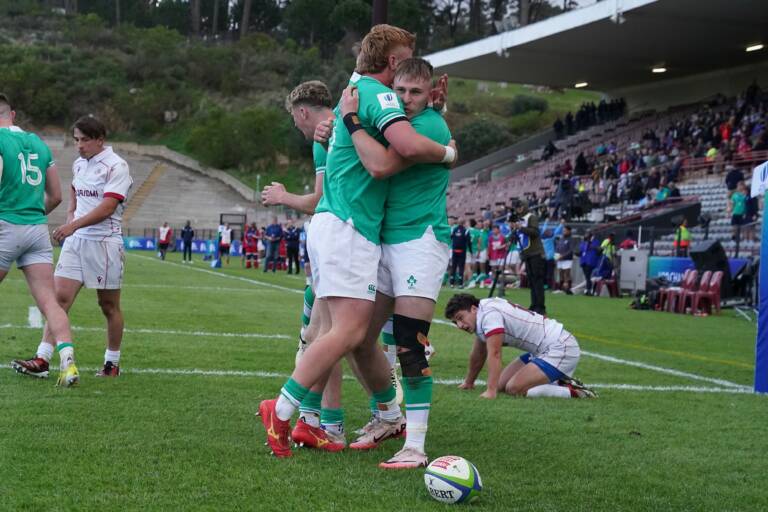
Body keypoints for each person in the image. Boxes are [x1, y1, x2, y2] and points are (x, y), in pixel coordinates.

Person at [257, 24, 457, 460]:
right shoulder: (376, 96)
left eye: (416, 89)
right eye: (401, 75)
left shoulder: (363, 92)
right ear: (390, 63)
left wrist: (429, 118)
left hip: (379, 233)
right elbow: (389, 160)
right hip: (352, 228)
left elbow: (406, 133)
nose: (405, 92)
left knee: (342, 333)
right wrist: (447, 153)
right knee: (346, 332)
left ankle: (368, 422)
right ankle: (289, 409)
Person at [335, 57, 452, 467]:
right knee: (358, 339)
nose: (406, 99)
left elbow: (381, 164)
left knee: (409, 344)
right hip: (385, 241)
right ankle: (389, 416)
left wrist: (349, 122)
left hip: (420, 241)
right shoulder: (398, 121)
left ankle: (416, 447)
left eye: (416, 92)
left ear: (431, 92)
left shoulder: (428, 127)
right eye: (400, 91)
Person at [1, 93, 79, 387]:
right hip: (36, 228)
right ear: (13, 114)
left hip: (5, 224)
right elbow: (57, 195)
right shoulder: (38, 143)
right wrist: (32, 213)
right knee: (50, 302)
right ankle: (68, 362)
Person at [47, 116, 132, 377]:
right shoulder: (79, 165)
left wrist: (73, 226)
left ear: (100, 140)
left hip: (104, 243)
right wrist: (70, 215)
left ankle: (111, 363)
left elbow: (107, 207)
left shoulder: (117, 166)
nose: (79, 145)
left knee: (107, 305)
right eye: (76, 140)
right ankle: (42, 357)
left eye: (84, 140)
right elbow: (74, 192)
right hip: (76, 241)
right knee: (58, 299)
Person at [445, 294, 596, 398]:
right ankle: (556, 380)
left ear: (473, 309)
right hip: (542, 349)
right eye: (455, 322)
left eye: (460, 318)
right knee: (500, 385)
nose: (459, 325)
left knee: (514, 388)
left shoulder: (489, 315)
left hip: (561, 347)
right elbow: (479, 353)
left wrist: (490, 392)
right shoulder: (482, 313)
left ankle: (573, 391)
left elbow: (495, 353)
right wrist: (469, 383)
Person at [511, 202, 546, 314]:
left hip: (535, 252)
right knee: (531, 280)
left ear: (524, 207)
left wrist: (521, 228)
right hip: (527, 254)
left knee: (537, 280)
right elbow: (517, 238)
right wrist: (514, 230)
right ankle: (534, 304)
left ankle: (540, 307)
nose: (518, 209)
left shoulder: (531, 217)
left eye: (520, 207)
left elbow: (535, 232)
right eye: (517, 207)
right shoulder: (520, 219)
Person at [449, 218, 469, 287]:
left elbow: (450, 238)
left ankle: (452, 283)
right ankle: (460, 283)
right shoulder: (466, 231)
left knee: (453, 267)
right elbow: (468, 242)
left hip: (454, 251)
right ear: (464, 223)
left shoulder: (454, 229)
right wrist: (471, 252)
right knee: (461, 267)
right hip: (462, 252)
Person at [555, 225, 575, 294]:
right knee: (560, 273)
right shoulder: (561, 238)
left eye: (565, 231)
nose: (564, 232)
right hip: (560, 259)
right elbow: (557, 247)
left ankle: (568, 289)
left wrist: (563, 256)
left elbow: (571, 250)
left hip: (567, 259)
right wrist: (556, 256)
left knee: (566, 274)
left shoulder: (571, 239)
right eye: (563, 231)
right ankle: (560, 289)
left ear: (569, 231)